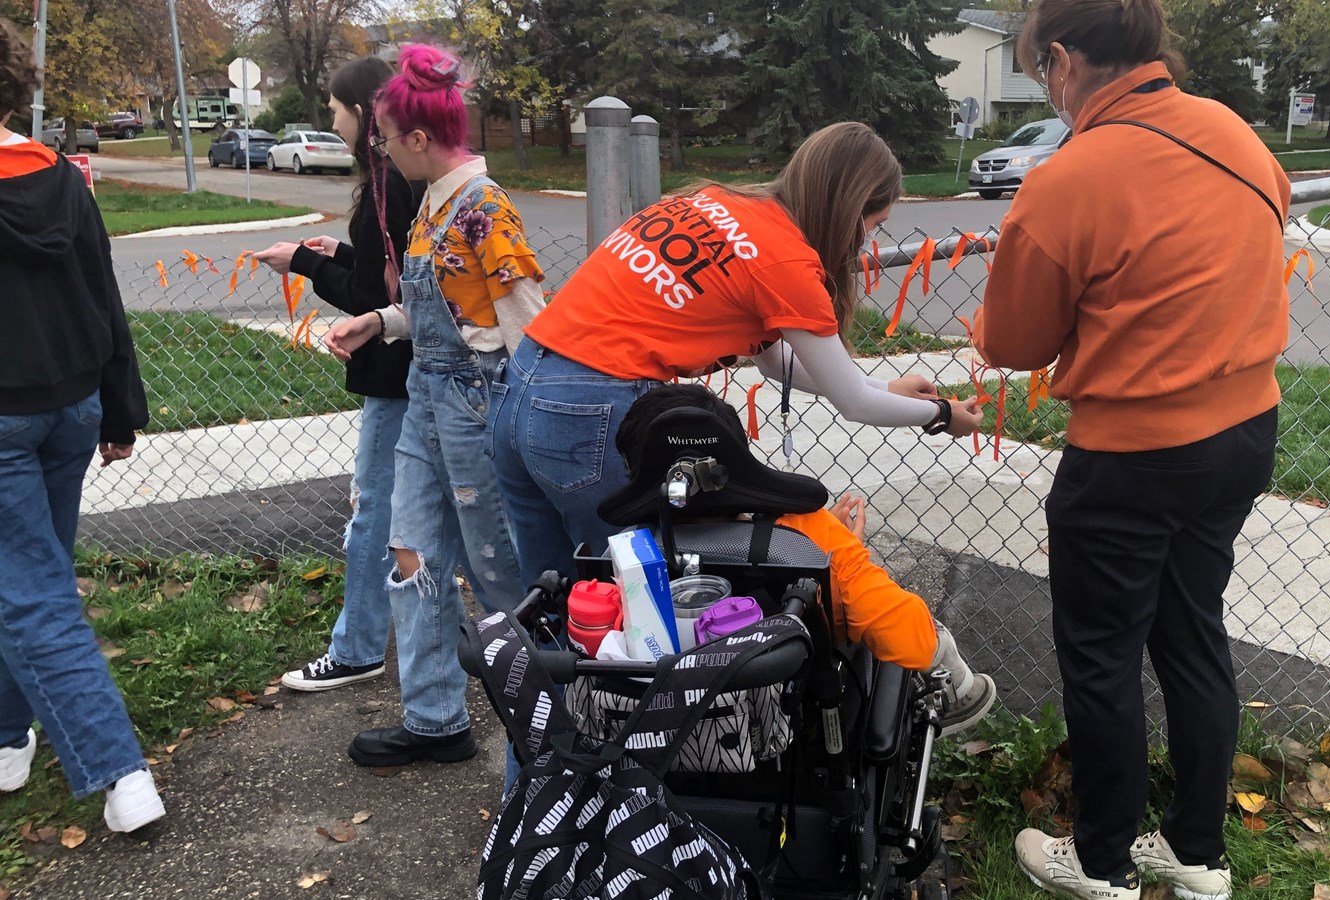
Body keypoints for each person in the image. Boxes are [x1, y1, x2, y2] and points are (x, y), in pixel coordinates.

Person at [974, 1, 1289, 897]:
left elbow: (1018, 343)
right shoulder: (1229, 129)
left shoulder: (1070, 178)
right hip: (1243, 431)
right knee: (1192, 635)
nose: (1050, 89)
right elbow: (1265, 217)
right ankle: (1197, 854)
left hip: (1132, 453)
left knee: (1102, 654)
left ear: (1064, 60)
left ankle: (1102, 861)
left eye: (1042, 72)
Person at [490, 121, 983, 590]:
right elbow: (853, 404)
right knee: (636, 603)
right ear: (849, 209)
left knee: (554, 600)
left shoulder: (719, 205)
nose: (868, 239)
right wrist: (941, 413)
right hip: (594, 409)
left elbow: (777, 364)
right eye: (874, 223)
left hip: (521, 384)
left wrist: (888, 388)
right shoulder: (785, 259)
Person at [323, 44, 544, 768]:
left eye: (387, 138)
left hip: (479, 411)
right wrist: (381, 323)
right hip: (424, 400)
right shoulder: (433, 204)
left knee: (499, 572)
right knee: (410, 550)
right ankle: (435, 718)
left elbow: (522, 322)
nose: (381, 149)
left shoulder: (483, 210)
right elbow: (445, 307)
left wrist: (527, 423)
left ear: (419, 140)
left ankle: (546, 717)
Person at [0, 19, 165, 832]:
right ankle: (6, 737)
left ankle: (120, 772)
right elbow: (101, 295)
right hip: (72, 410)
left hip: (13, 422)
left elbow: (97, 289)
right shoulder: (59, 175)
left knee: (31, 593)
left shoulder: (61, 176)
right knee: (25, 579)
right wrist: (119, 408)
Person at [613, 384, 996, 733]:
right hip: (796, 722)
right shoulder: (806, 534)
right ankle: (962, 694)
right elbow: (897, 627)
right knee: (916, 623)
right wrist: (843, 553)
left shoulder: (629, 552)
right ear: (739, 462)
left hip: (667, 725)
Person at [251, 57, 421, 694]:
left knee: (372, 513)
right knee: (428, 513)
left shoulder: (387, 184)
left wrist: (300, 261)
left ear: (363, 112)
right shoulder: (401, 179)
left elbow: (371, 301)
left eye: (334, 108)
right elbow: (389, 275)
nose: (330, 119)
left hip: (396, 375)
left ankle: (356, 649)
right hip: (417, 369)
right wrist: (340, 252)